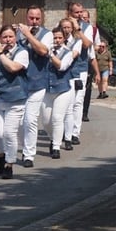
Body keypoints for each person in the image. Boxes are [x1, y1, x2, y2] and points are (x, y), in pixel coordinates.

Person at [0, 24, 29, 179]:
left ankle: (9, 164)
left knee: (9, 134)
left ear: (15, 37)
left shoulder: (22, 52)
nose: (8, 40)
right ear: (0, 38)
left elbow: (12, 68)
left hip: (15, 99)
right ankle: (1, 155)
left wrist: (1, 53)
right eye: (5, 37)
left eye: (11, 36)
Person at [16, 5, 54, 167]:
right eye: (31, 18)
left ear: (42, 19)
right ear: (27, 18)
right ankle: (22, 147)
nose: (34, 21)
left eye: (37, 18)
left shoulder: (48, 34)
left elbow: (42, 51)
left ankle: (28, 155)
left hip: (38, 83)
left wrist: (27, 34)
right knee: (18, 122)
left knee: (31, 120)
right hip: (18, 83)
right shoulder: (17, 33)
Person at [42, 20, 82, 156]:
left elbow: (62, 66)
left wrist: (51, 55)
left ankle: (56, 147)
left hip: (63, 88)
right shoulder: (45, 52)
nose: (57, 40)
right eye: (54, 38)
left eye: (60, 38)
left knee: (58, 118)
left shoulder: (68, 52)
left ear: (64, 39)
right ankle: (53, 138)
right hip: (48, 88)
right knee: (46, 121)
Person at [64, 1, 98, 144]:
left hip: (81, 69)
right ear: (70, 13)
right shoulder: (64, 26)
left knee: (78, 102)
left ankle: (75, 133)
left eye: (81, 12)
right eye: (76, 12)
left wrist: (78, 29)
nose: (79, 15)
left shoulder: (87, 27)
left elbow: (87, 44)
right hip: (65, 69)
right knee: (67, 103)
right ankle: (65, 131)